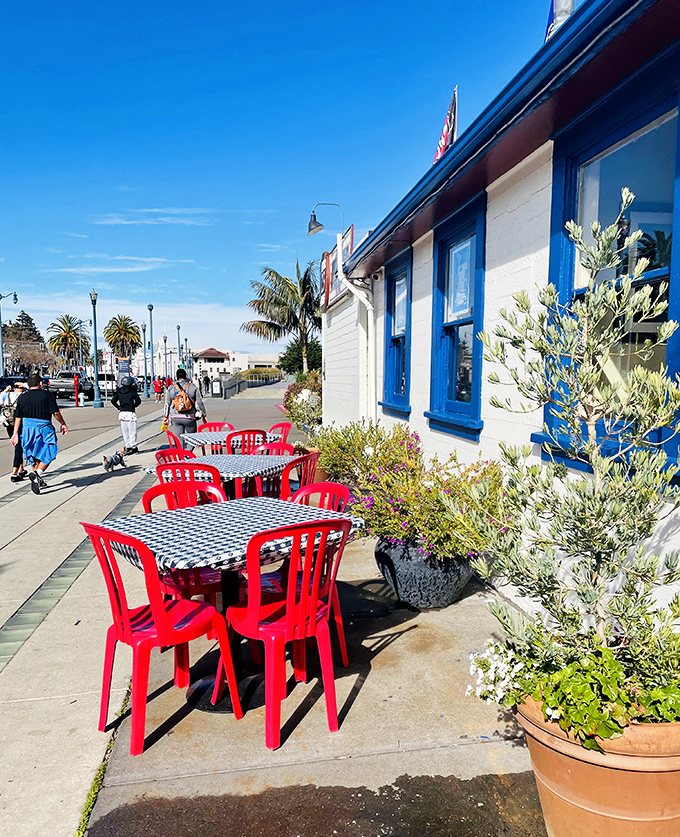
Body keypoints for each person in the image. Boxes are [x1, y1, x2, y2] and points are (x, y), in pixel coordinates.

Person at [11, 372, 68, 495]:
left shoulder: (22, 397)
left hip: (27, 428)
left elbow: (18, 416)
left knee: (33, 453)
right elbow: (56, 412)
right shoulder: (47, 395)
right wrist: (63, 423)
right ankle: (38, 473)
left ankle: (38, 479)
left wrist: (15, 433)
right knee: (50, 450)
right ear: (40, 383)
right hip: (44, 427)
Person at [163, 367, 206, 447]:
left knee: (179, 439)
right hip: (189, 417)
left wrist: (166, 417)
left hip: (175, 416)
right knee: (192, 438)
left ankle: (181, 455)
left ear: (176, 377)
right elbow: (199, 402)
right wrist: (203, 414)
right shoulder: (193, 387)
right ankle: (188, 454)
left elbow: (167, 403)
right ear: (186, 376)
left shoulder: (171, 388)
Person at [1, 382, 28, 482]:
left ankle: (21, 469)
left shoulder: (6, 395)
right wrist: (24, 384)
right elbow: (32, 386)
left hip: (8, 423)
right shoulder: (22, 396)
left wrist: (6, 390)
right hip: (19, 422)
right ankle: (14, 473)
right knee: (19, 446)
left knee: (17, 446)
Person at [111, 376, 142, 454]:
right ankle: (133, 446)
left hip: (122, 413)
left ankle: (127, 445)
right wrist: (133, 405)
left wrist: (118, 407)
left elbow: (113, 401)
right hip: (130, 413)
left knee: (125, 431)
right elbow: (138, 401)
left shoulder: (119, 391)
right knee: (132, 431)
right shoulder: (132, 391)